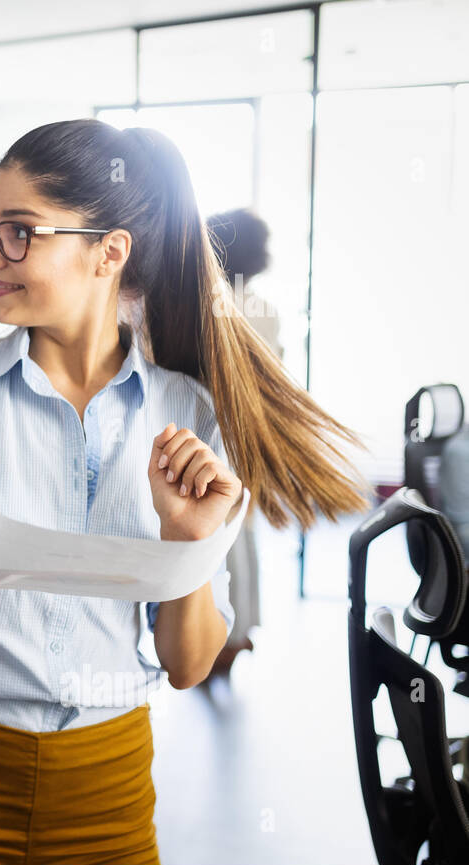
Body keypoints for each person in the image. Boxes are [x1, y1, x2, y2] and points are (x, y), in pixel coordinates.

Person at [0, 119, 369, 865]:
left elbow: (190, 664)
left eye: (18, 232)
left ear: (110, 251)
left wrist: (187, 542)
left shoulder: (186, 412)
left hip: (108, 786)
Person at [202, 208, 286, 675]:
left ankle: (224, 636)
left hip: (217, 435)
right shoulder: (265, 311)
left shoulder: (213, 306)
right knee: (242, 534)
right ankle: (241, 630)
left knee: (220, 538)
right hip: (250, 439)